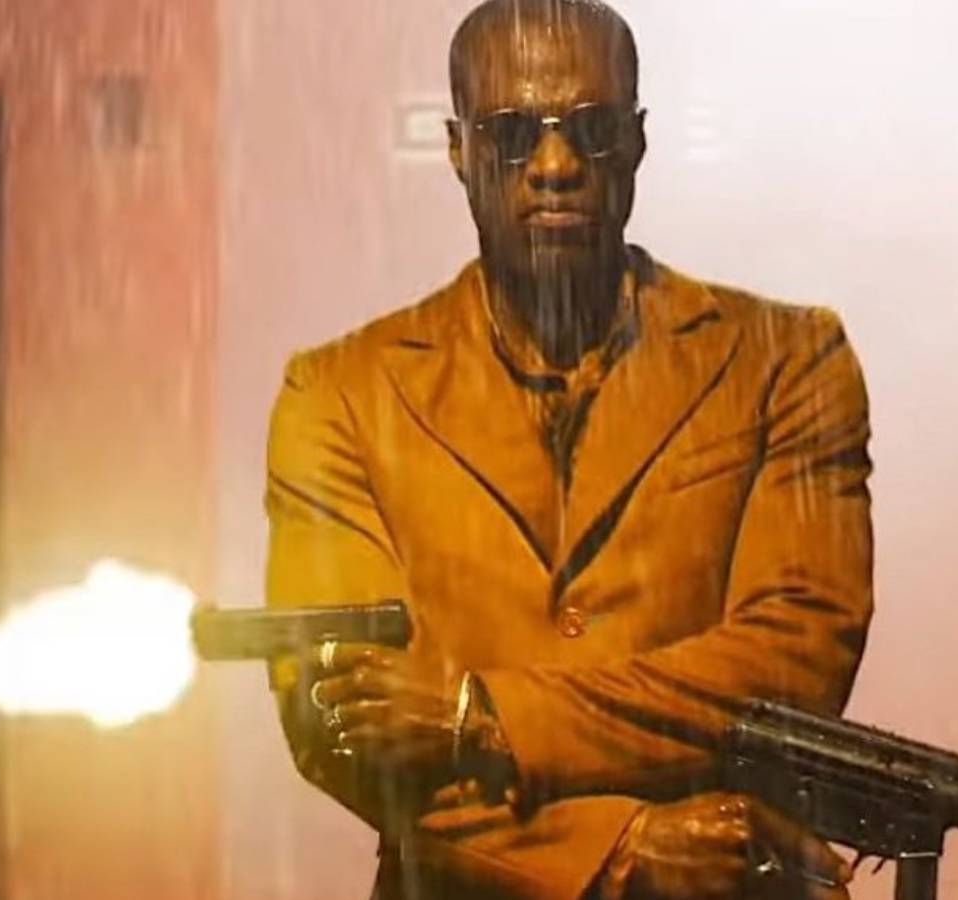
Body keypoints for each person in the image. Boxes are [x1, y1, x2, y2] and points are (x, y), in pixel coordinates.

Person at [263, 1, 873, 897]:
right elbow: (343, 723)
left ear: (636, 142)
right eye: (512, 135)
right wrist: (619, 848)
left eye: (590, 129)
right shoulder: (339, 393)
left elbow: (795, 662)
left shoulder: (787, 361)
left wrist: (482, 719)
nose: (555, 166)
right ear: (458, 150)